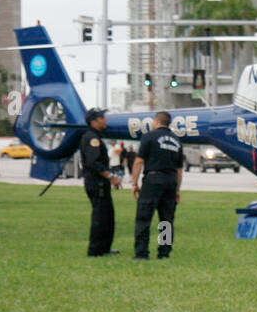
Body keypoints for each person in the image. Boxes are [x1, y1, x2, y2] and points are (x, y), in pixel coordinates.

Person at [131, 111, 184, 260]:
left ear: (156, 121)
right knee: (166, 220)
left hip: (153, 179)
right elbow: (179, 170)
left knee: (144, 217)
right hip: (171, 181)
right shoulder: (177, 140)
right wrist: (177, 190)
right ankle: (164, 252)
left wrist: (134, 183)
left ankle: (142, 253)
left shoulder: (149, 137)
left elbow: (139, 161)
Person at [79, 109, 121, 256]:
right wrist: (111, 177)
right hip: (97, 183)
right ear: (94, 121)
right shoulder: (92, 139)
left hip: (101, 183)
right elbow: (94, 163)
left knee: (108, 216)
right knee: (100, 216)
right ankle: (95, 250)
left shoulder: (95, 136)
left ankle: (104, 247)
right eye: (102, 118)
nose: (106, 120)